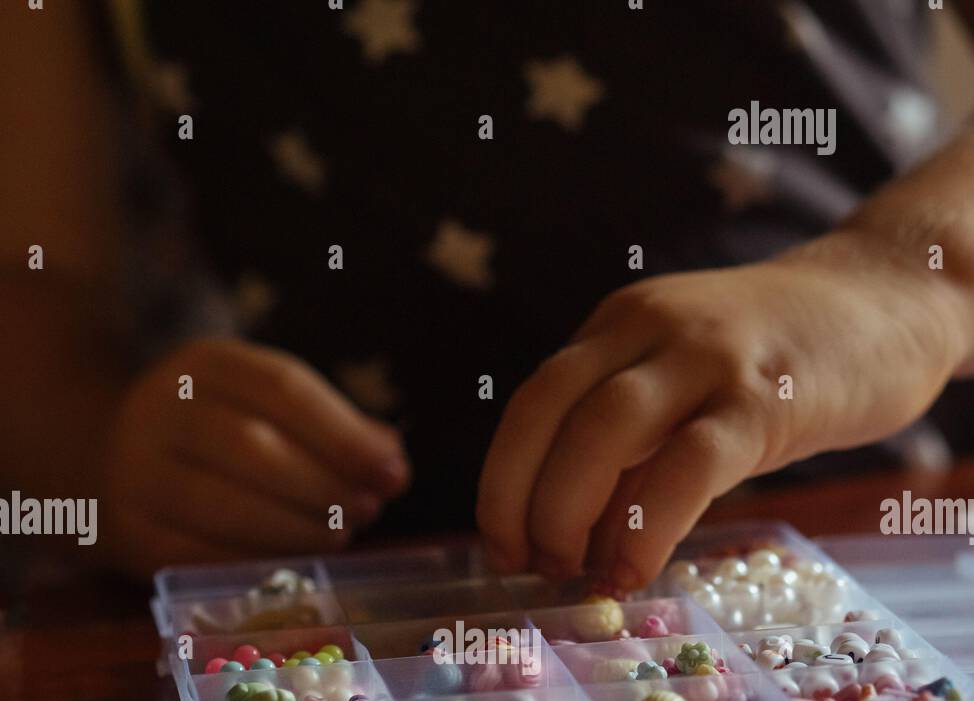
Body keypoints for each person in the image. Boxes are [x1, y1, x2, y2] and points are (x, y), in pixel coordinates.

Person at [2, 0, 974, 586]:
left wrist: (899, 279)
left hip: (883, 536)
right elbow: (32, 293)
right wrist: (96, 461)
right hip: (359, 606)